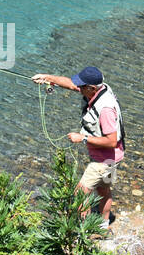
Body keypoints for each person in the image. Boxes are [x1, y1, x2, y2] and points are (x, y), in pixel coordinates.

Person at [31, 66, 126, 231]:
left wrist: (83, 138)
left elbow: (111, 141)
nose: (78, 89)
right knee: (103, 190)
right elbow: (70, 84)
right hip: (114, 157)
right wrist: (47, 77)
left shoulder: (105, 110)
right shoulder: (98, 89)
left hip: (104, 160)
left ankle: (85, 230)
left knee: (80, 194)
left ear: (91, 88)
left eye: (81, 87)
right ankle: (103, 226)